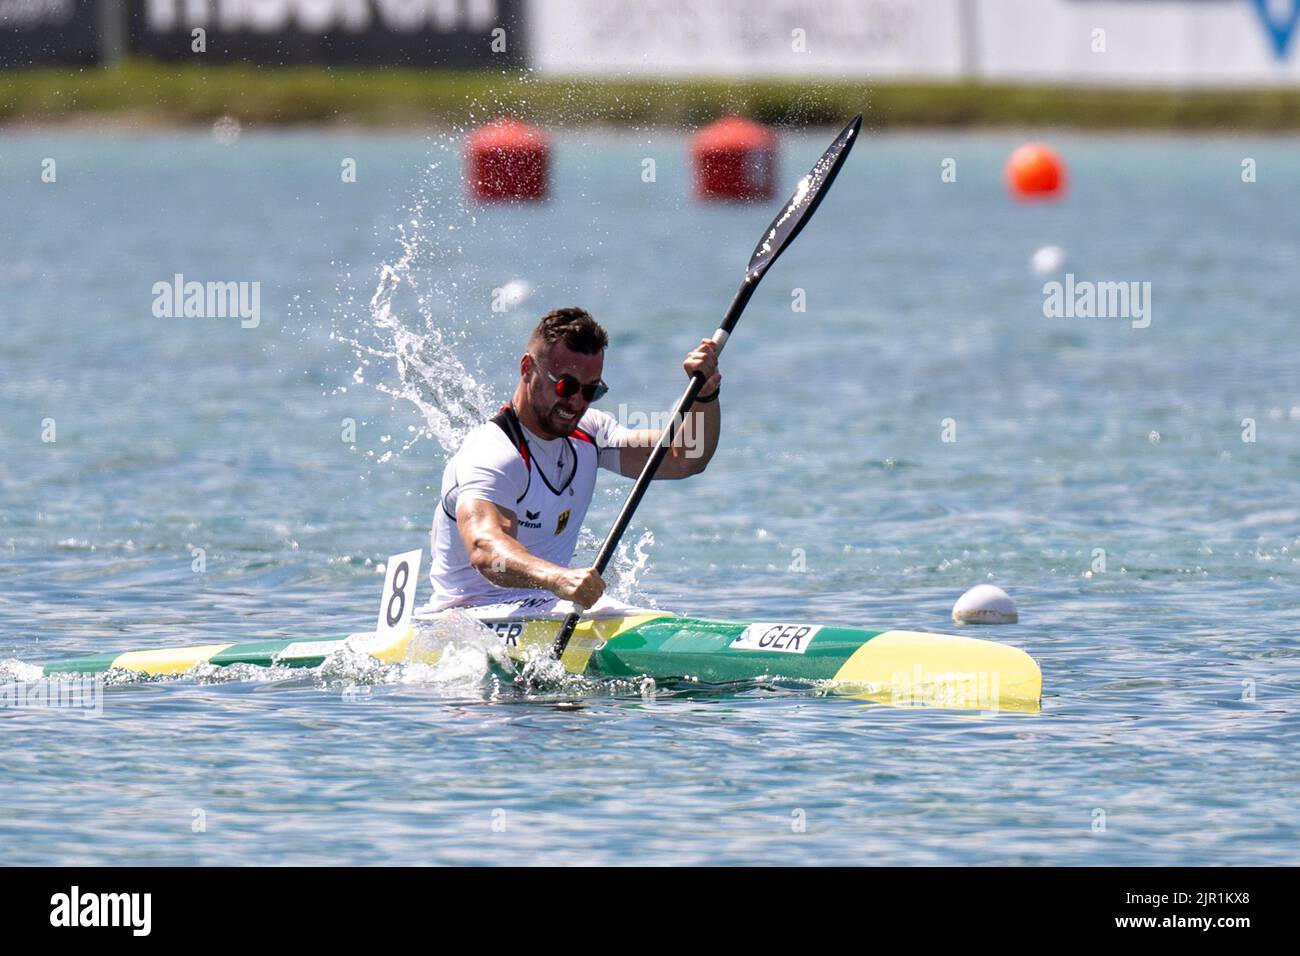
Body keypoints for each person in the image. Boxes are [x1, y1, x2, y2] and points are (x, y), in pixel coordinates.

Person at [427, 307, 721, 612]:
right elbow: (486, 551)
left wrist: (706, 393)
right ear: (527, 368)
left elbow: (686, 457)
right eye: (565, 386)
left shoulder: (590, 433)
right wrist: (557, 578)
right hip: (467, 621)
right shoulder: (494, 455)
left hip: (546, 608)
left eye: (591, 390)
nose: (577, 402)